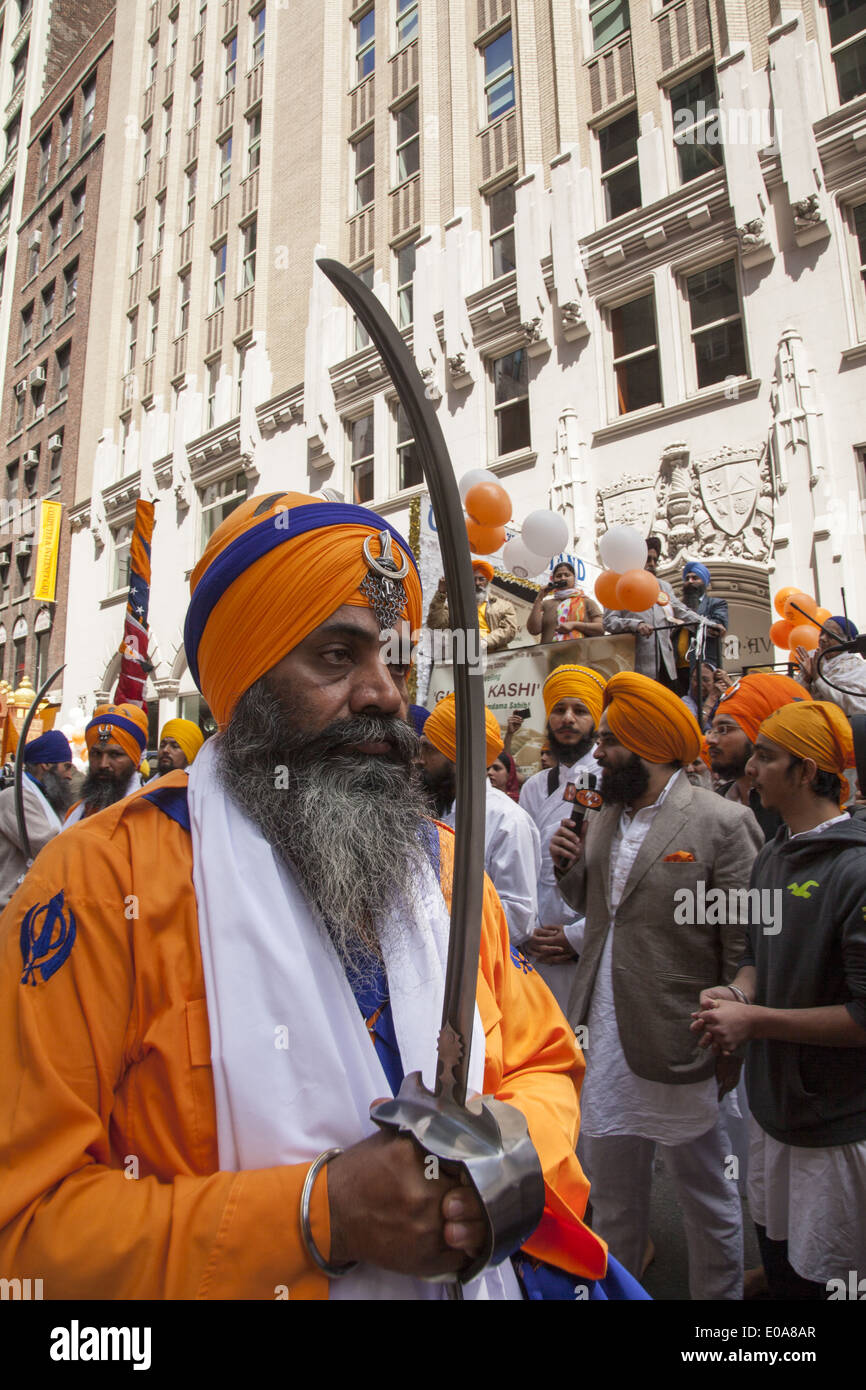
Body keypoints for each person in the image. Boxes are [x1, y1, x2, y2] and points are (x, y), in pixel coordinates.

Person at [0, 490, 608, 1300]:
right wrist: (319, 1215)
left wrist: (496, 1160)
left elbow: (542, 1060)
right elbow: (26, 1234)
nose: (385, 694)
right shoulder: (99, 884)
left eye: (395, 658)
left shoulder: (446, 867)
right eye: (335, 657)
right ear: (245, 679)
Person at [552, 672, 763, 1299]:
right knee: (611, 1199)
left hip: (680, 1035)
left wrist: (734, 1032)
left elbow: (743, 945)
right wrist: (567, 864)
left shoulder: (722, 822)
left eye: (612, 741)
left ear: (649, 745)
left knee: (705, 1197)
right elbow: (594, 908)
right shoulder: (604, 814)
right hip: (605, 1035)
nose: (600, 753)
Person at [694, 700, 866, 1300]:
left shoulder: (856, 870)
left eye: (767, 757)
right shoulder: (773, 854)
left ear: (807, 770)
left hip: (834, 1129)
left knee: (831, 1280)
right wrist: (736, 993)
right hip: (774, 1114)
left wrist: (754, 1021)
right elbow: (756, 958)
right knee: (780, 1257)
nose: (752, 769)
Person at [419, 694, 541, 950]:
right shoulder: (428, 807)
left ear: (459, 758)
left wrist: (439, 920)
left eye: (428, 749)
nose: (418, 759)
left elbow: (519, 918)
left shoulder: (507, 821)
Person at [518, 665, 605, 1009]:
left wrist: (576, 936)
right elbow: (522, 865)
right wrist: (528, 932)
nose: (567, 719)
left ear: (595, 720)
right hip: (536, 942)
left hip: (586, 943)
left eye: (579, 710)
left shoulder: (610, 779)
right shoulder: (535, 787)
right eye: (559, 710)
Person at [706, 672, 811, 842]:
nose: (710, 739)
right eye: (712, 729)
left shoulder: (796, 817)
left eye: (724, 729)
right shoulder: (715, 803)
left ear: (763, 734)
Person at [603, 537, 694, 687]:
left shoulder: (664, 586)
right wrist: (636, 625)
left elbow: (680, 610)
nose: (652, 564)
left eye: (655, 560)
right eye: (647, 559)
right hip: (638, 666)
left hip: (667, 668)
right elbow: (609, 622)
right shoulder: (619, 585)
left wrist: (706, 624)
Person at [0, 731, 74, 911]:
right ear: (46, 764)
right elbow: (50, 846)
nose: (70, 776)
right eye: (67, 767)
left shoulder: (51, 799)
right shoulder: (14, 798)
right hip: (9, 908)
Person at [63, 703, 149, 826]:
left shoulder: (148, 814)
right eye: (96, 753)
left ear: (134, 760)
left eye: (115, 754)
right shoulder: (76, 812)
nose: (103, 764)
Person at [426, 558, 518, 654]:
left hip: (496, 659)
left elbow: (509, 630)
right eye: (473, 579)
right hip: (463, 659)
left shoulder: (504, 606)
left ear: (488, 581)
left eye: (481, 579)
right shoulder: (456, 606)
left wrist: (485, 641)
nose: (477, 583)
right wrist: (441, 593)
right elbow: (435, 624)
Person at [794, 615, 866, 717]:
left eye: (831, 635)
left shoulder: (856, 667)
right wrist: (807, 678)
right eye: (822, 633)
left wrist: (818, 678)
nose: (822, 638)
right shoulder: (812, 660)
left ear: (846, 642)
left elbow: (854, 707)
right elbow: (794, 699)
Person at [675, 561, 728, 692]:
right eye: (687, 579)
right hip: (677, 670)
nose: (690, 581)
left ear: (704, 582)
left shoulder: (716, 604)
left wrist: (689, 618)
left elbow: (717, 627)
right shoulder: (678, 607)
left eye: (695, 578)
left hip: (702, 667)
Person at [527, 556, 603, 646]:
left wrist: (575, 625)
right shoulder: (546, 604)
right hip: (548, 657)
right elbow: (533, 630)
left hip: (580, 657)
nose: (563, 578)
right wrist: (539, 598)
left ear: (574, 579)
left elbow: (601, 629)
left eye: (567, 575)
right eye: (558, 576)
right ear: (553, 580)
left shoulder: (587, 602)